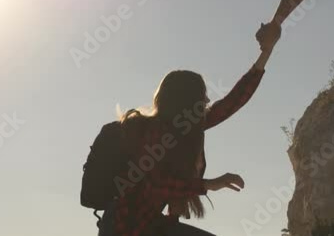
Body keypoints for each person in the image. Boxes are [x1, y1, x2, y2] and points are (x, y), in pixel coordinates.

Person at [98, 33, 278, 236]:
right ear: (186, 101)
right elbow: (156, 183)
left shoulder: (184, 129)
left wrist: (266, 53)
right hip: (124, 226)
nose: (208, 100)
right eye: (202, 95)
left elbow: (231, 103)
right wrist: (209, 184)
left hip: (148, 223)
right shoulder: (154, 132)